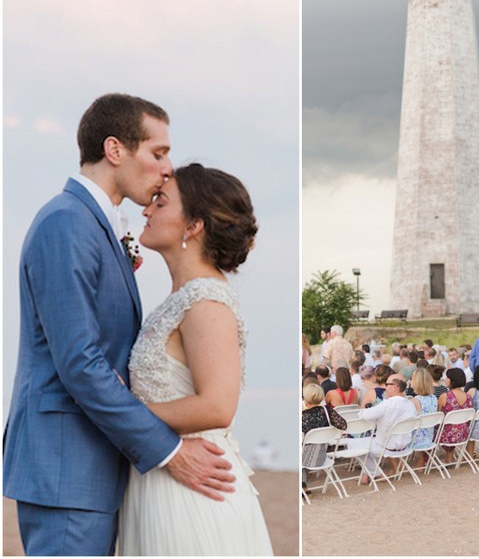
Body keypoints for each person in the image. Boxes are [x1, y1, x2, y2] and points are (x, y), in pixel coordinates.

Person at [2, 95, 241, 555]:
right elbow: (80, 363)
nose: (167, 168)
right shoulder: (66, 223)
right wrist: (169, 451)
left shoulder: (94, 225)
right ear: (115, 150)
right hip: (66, 469)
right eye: (158, 152)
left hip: (91, 468)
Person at [115, 162, 271, 552]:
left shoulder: (206, 302)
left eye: (160, 203)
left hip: (194, 487)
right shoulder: (180, 299)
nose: (146, 211)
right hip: (162, 479)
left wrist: (123, 409)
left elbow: (218, 406)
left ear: (193, 225)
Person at [358, 374, 421, 483]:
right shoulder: (410, 404)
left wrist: (363, 410)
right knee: (371, 442)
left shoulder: (387, 404)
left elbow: (364, 415)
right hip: (404, 446)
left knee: (355, 445)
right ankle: (366, 475)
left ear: (395, 387)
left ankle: (376, 474)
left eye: (387, 384)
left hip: (387, 446)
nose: (385, 387)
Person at [301, 383, 346, 487]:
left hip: (305, 460)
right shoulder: (327, 410)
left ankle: (302, 486)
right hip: (322, 456)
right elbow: (343, 425)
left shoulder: (302, 417)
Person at [437, 368, 473, 453]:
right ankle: (450, 457)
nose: (445, 380)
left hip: (447, 435)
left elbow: (439, 414)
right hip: (464, 434)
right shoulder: (468, 397)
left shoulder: (444, 396)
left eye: (447, 378)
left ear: (452, 380)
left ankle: (448, 457)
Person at [409, 368, 439, 468]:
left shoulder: (415, 401)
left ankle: (397, 467)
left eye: (412, 378)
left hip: (416, 440)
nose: (410, 380)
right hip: (430, 437)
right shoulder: (433, 398)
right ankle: (421, 460)